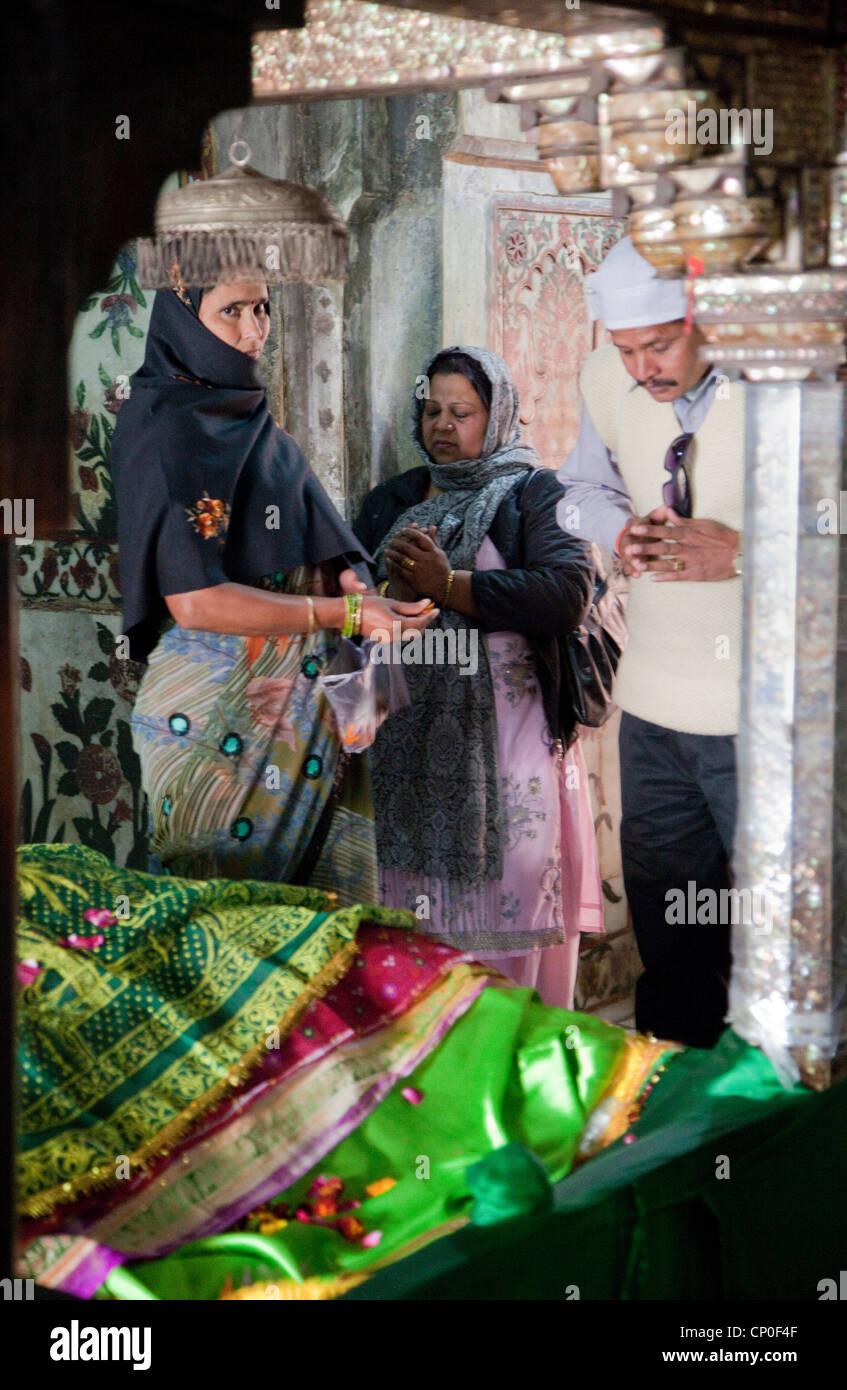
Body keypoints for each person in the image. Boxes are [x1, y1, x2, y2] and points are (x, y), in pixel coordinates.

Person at [111, 277, 435, 897]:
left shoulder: (254, 423)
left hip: (303, 716)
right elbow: (195, 600)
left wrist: (364, 595)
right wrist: (345, 614)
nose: (253, 328)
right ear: (182, 319)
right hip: (212, 721)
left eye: (260, 308)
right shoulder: (163, 428)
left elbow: (326, 539)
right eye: (229, 310)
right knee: (225, 934)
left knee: (315, 936)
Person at [354, 346, 603, 1008]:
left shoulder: (535, 492)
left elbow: (565, 594)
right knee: (415, 917)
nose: (442, 424)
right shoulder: (393, 500)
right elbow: (349, 601)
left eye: (461, 412)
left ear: (497, 416)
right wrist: (390, 590)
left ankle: (516, 1062)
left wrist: (450, 584)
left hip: (506, 743)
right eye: (431, 410)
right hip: (403, 745)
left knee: (507, 898)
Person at [558, 235, 744, 1047]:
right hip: (654, 713)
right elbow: (574, 491)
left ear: (707, 314)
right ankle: (679, 1114)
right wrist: (619, 529)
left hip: (764, 716)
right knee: (670, 936)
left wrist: (743, 552)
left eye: (659, 344)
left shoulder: (793, 383)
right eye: (625, 348)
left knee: (776, 934)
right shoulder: (610, 379)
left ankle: (789, 1124)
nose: (640, 369)